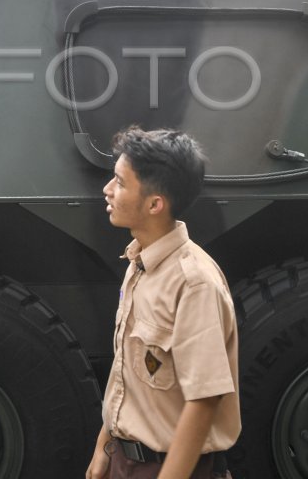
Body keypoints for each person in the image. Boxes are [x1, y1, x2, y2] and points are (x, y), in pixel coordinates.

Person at [85, 127, 240, 479]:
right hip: (126, 461)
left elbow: (204, 401)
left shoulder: (193, 282)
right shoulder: (138, 262)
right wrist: (104, 448)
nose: (107, 190)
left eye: (121, 183)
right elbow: (126, 372)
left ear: (155, 204)